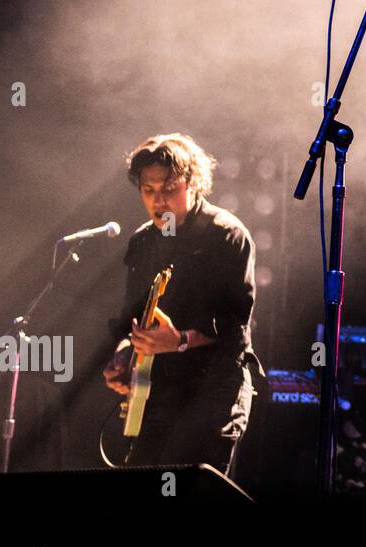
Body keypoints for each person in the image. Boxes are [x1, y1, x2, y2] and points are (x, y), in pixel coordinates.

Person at [102, 133, 262, 475]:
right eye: (149, 190)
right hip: (159, 395)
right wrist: (124, 352)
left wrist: (181, 341)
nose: (158, 200)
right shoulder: (143, 242)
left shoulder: (226, 235)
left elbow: (234, 329)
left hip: (213, 391)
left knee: (193, 489)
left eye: (169, 188)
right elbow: (130, 318)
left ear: (193, 183)